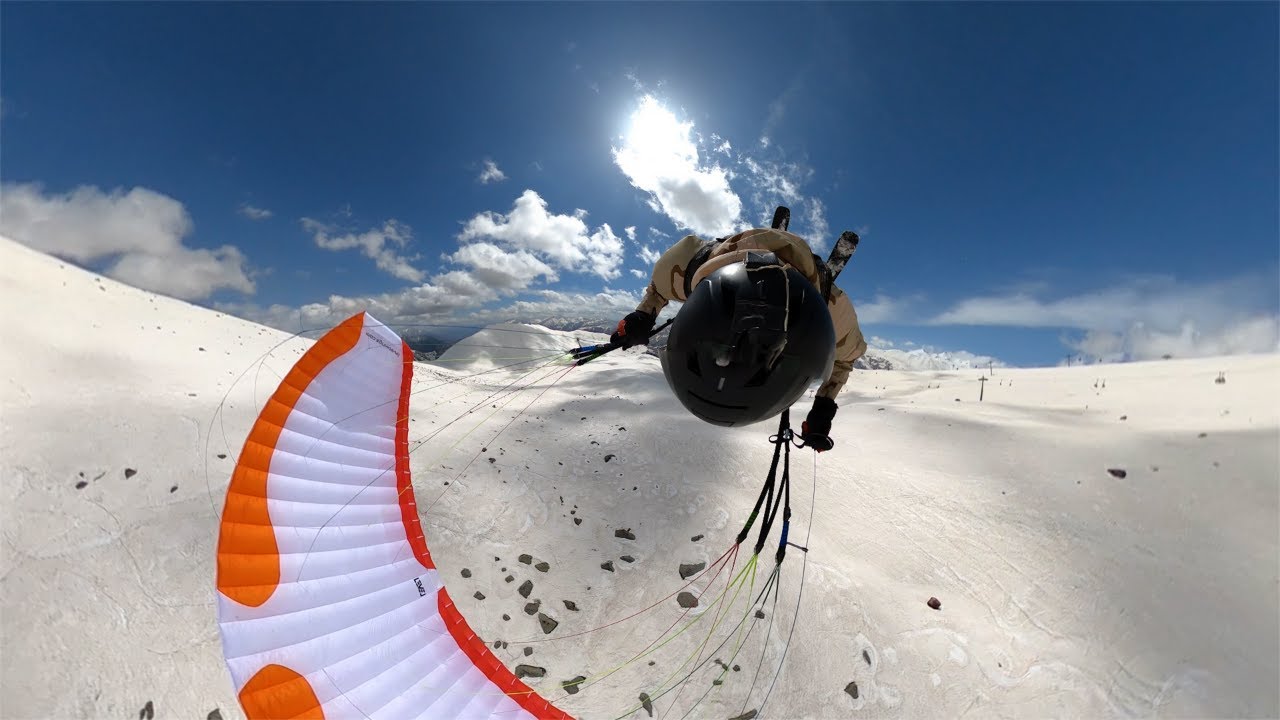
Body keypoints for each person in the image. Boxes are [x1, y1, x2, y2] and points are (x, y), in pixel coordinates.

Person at [611, 224, 868, 451]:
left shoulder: (834, 313)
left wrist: (644, 314)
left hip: (807, 280)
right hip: (803, 281)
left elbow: (658, 289)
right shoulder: (681, 271)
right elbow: (845, 359)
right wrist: (824, 407)